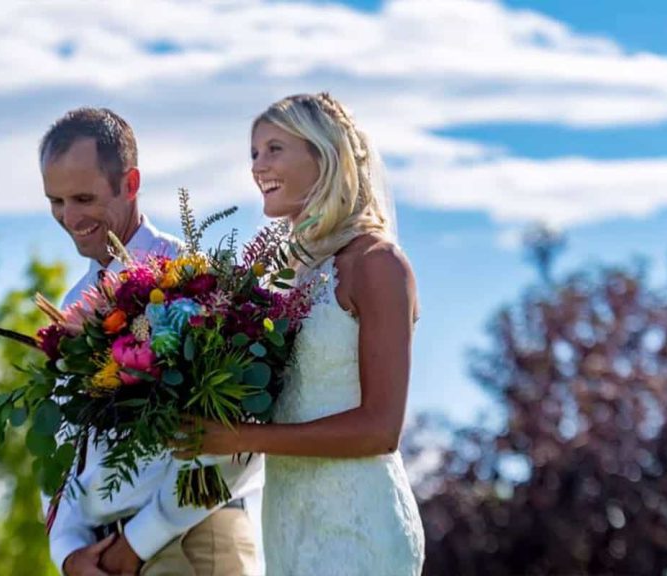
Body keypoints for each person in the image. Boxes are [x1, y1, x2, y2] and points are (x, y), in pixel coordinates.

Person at [177, 93, 425, 575]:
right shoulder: (285, 279)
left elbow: (381, 430)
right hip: (287, 519)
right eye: (254, 153)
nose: (257, 166)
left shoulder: (377, 264)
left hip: (357, 522)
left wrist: (240, 437)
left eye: (274, 149)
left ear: (324, 155)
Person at [39, 107, 263, 576]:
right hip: (103, 555)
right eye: (56, 201)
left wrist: (137, 542)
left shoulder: (198, 284)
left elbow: (235, 446)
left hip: (193, 544)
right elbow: (64, 444)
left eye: (83, 198)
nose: (69, 217)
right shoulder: (73, 305)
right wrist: (68, 550)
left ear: (130, 183)